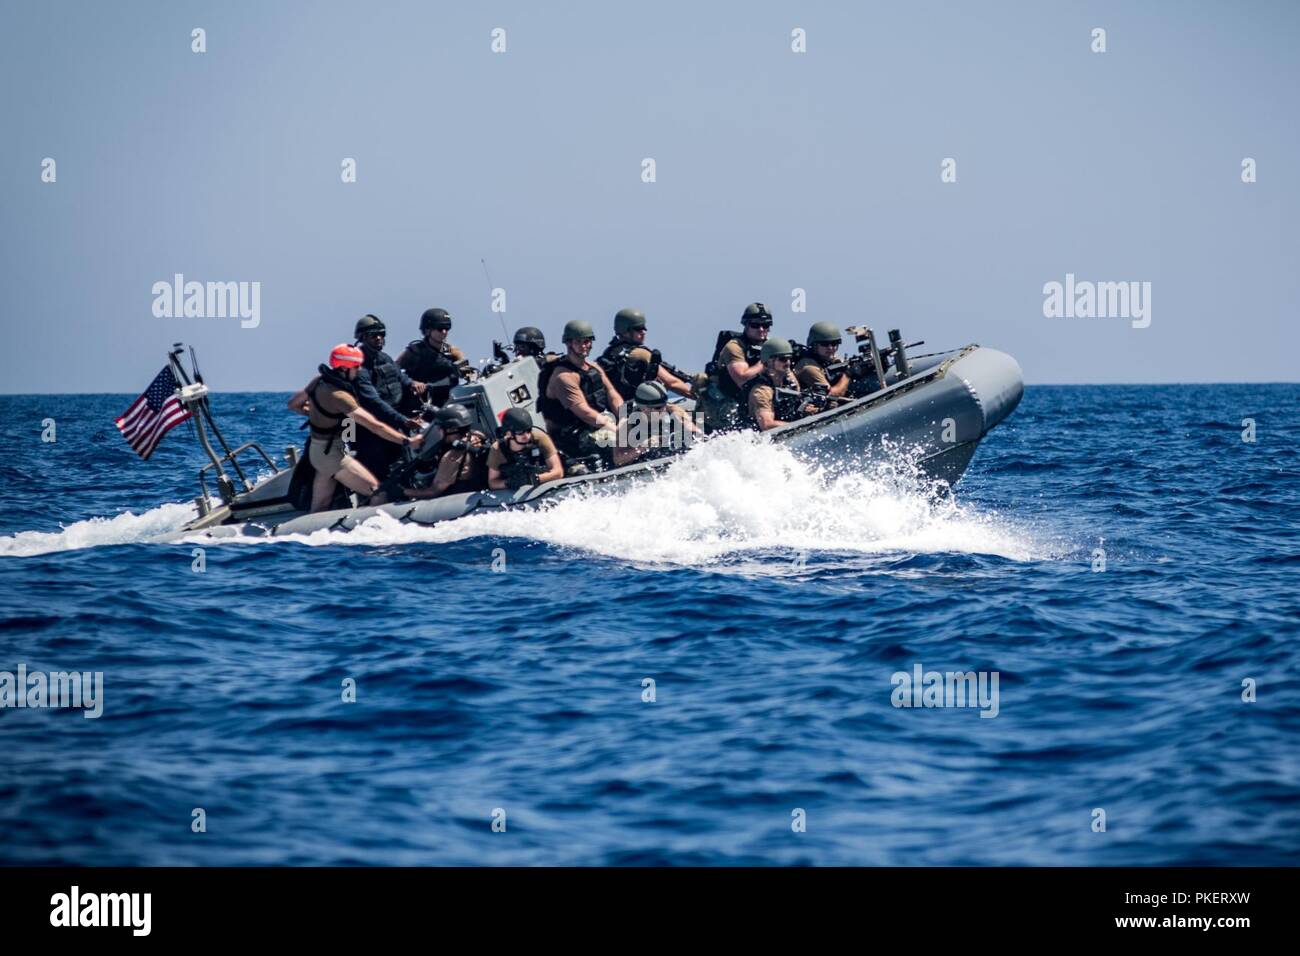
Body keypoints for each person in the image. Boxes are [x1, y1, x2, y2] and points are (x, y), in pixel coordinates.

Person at [287, 344, 423, 512]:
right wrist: (408, 441)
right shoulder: (341, 397)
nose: (359, 370)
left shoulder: (319, 381)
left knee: (320, 507)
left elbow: (294, 404)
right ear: (344, 368)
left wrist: (320, 416)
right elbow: (376, 426)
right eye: (356, 366)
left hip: (317, 452)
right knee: (378, 493)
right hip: (334, 456)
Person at [537, 319, 624, 463]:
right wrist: (613, 428)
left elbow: (612, 394)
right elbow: (583, 411)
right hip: (571, 435)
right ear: (569, 343)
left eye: (587, 341)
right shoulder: (563, 377)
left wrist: (624, 417)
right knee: (615, 443)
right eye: (579, 342)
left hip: (595, 424)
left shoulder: (593, 367)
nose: (584, 346)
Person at [353, 314, 425, 481]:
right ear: (363, 338)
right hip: (373, 428)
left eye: (382, 334)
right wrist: (403, 420)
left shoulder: (385, 358)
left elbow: (400, 377)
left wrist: (413, 383)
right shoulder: (359, 367)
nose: (379, 338)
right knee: (379, 469)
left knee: (405, 461)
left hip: (395, 421)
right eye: (374, 335)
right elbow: (374, 402)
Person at [700, 302, 773, 432]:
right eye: (755, 325)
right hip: (725, 406)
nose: (761, 329)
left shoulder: (769, 346)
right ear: (745, 325)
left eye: (766, 325)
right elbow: (742, 378)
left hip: (752, 401)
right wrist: (764, 362)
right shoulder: (734, 347)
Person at [597, 307, 695, 399]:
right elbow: (672, 383)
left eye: (644, 328)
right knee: (680, 413)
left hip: (618, 408)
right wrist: (700, 397)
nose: (643, 332)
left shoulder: (610, 353)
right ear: (625, 331)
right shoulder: (641, 354)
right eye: (638, 329)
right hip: (637, 408)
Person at [395, 403, 488, 499]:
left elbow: (433, 492)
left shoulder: (452, 456)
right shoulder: (478, 437)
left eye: (441, 427)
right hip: (478, 491)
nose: (438, 430)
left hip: (458, 499)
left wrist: (403, 492)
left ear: (452, 429)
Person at [396, 308, 474, 409]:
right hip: (421, 405)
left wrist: (469, 374)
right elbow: (393, 370)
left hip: (448, 403)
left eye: (447, 328)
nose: (444, 332)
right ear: (427, 330)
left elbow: (468, 371)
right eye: (440, 328)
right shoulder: (415, 351)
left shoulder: (452, 351)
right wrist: (412, 383)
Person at [614, 380, 702, 466]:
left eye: (665, 404)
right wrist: (644, 446)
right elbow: (618, 460)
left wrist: (686, 428)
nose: (664, 409)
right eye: (659, 407)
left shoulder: (674, 410)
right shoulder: (626, 424)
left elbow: (697, 434)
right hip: (643, 461)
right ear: (644, 409)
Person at [743, 338, 818, 432]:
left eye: (789, 358)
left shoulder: (787, 381)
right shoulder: (762, 391)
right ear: (769, 362)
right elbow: (767, 425)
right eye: (782, 359)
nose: (787, 362)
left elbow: (796, 398)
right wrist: (801, 426)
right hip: (765, 441)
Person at [486, 408, 564, 490]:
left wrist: (535, 479)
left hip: (544, 487)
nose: (526, 436)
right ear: (509, 433)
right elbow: (492, 483)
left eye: (528, 430)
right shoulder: (498, 449)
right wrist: (509, 483)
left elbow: (558, 472)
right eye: (520, 432)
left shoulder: (539, 438)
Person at [795, 321, 852, 402]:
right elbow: (830, 395)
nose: (831, 348)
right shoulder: (809, 368)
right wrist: (848, 375)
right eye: (825, 344)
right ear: (814, 345)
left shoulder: (829, 358)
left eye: (834, 343)